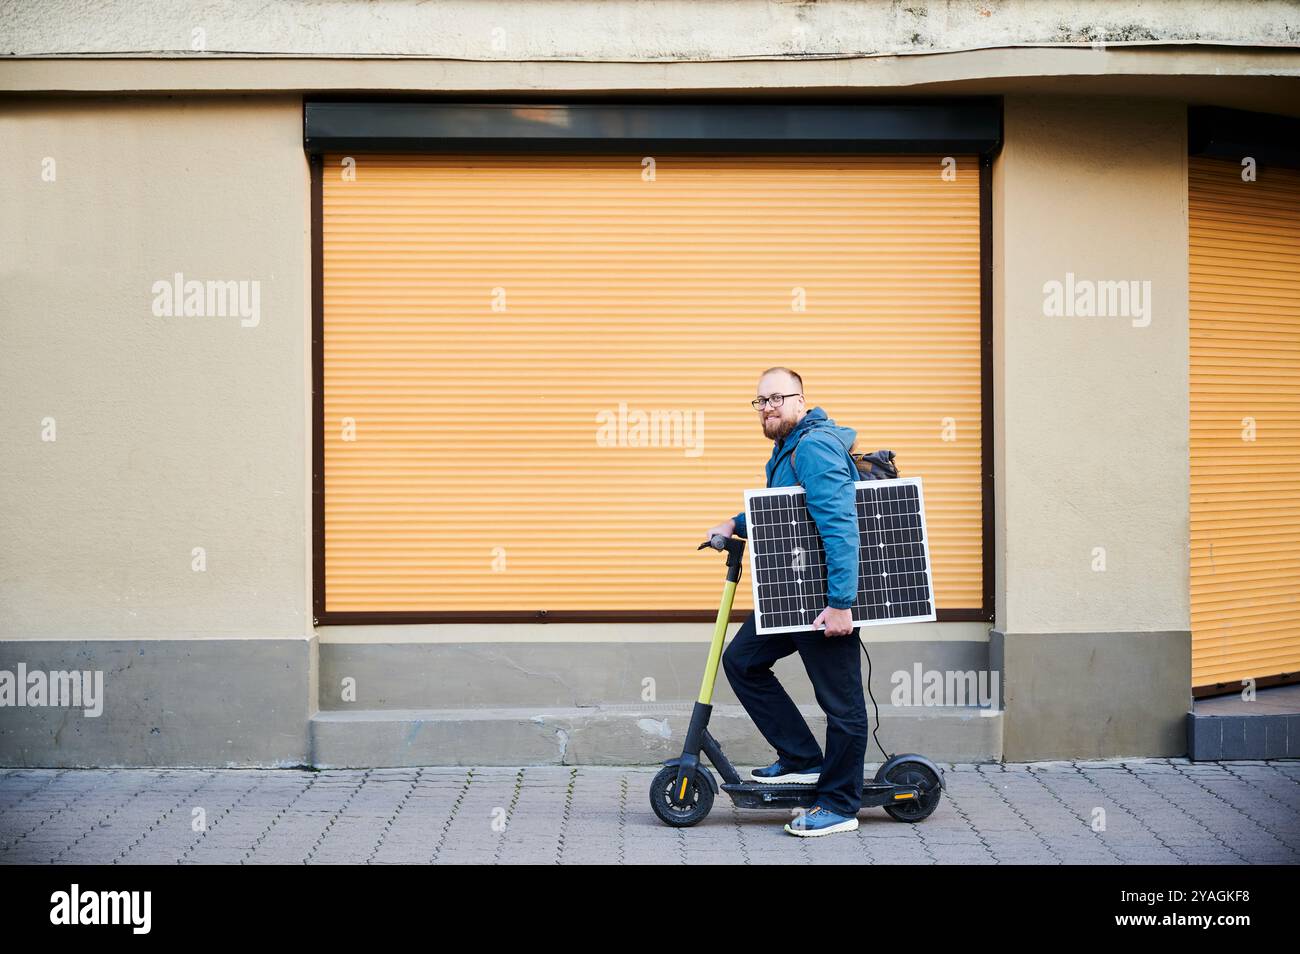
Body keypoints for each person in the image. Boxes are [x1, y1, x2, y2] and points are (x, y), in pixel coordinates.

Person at [705, 366, 868, 837]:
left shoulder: (813, 447)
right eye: (761, 401)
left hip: (821, 598)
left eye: (778, 397)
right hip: (790, 594)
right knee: (742, 661)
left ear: (801, 400)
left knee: (841, 703)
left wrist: (841, 602)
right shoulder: (787, 449)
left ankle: (839, 804)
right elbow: (785, 510)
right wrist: (736, 522)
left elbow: (839, 525)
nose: (769, 407)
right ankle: (801, 758)